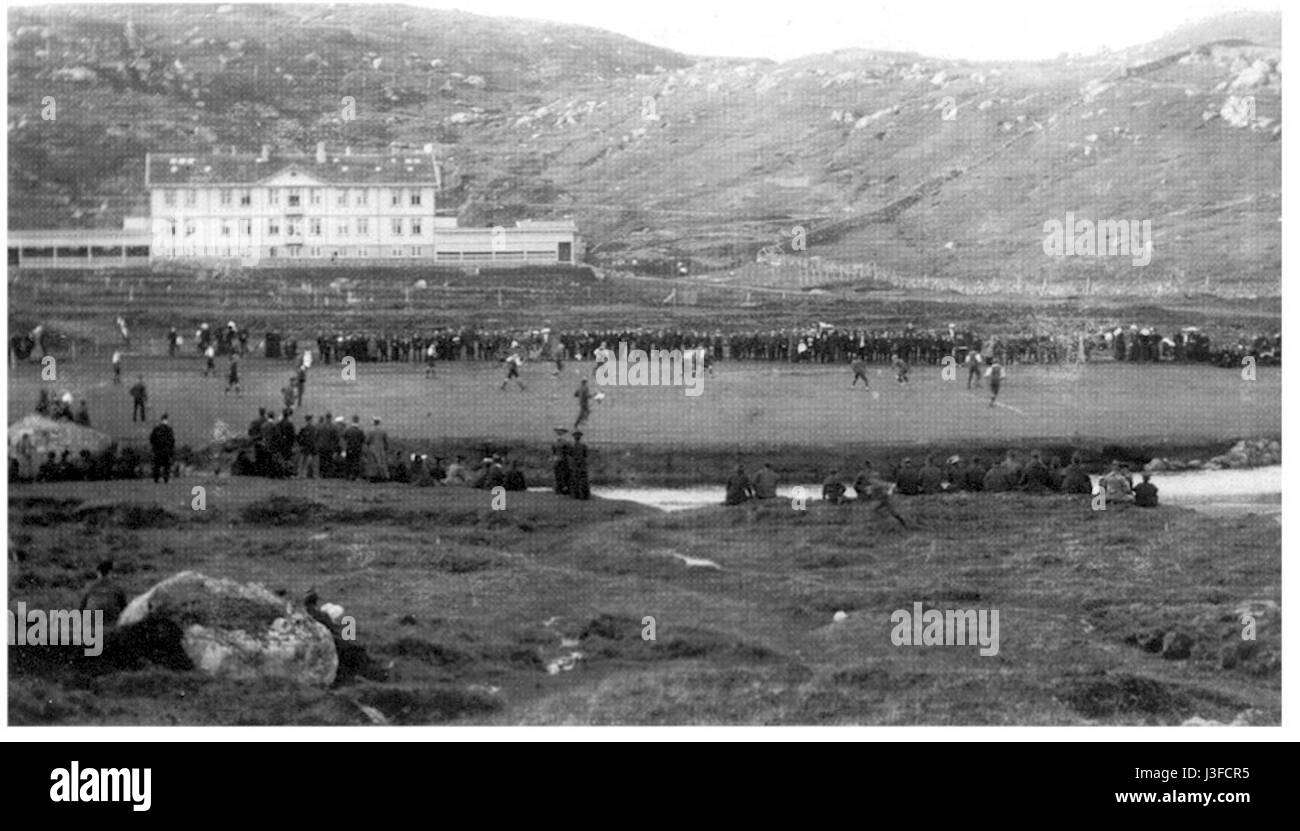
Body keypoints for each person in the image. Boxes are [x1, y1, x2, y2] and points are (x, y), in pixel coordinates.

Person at [148, 413, 175, 483]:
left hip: (158, 450)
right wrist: (171, 450)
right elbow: (172, 441)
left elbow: (151, 439)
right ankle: (166, 478)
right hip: (166, 450)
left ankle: (156, 478)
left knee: (157, 465)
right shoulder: (169, 429)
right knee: (166, 465)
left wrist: (154, 447)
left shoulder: (156, 428)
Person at [342, 416, 366, 480]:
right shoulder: (360, 431)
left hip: (349, 448)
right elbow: (363, 440)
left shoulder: (348, 430)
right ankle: (354, 476)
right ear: (358, 421)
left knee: (348, 462)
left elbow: (344, 438)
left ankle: (347, 476)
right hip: (357, 449)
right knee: (356, 462)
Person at [569, 432, 591, 500]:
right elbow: (586, 455)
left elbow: (570, 455)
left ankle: (575, 495)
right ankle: (583, 495)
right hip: (581, 464)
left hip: (576, 464)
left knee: (575, 479)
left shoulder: (572, 446)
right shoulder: (583, 446)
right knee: (582, 479)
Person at [551, 429, 572, 495]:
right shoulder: (565, 442)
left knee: (558, 475)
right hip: (563, 460)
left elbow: (553, 452)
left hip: (557, 460)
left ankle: (559, 489)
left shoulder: (555, 442)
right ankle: (563, 489)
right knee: (563, 475)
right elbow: (569, 451)